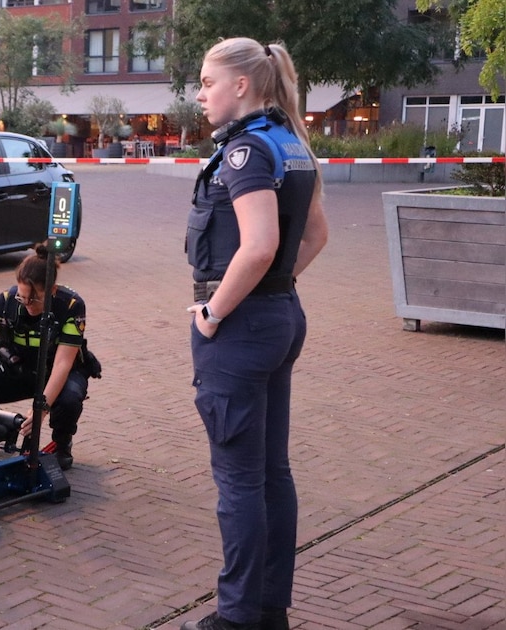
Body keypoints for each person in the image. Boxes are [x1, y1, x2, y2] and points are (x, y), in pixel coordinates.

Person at [180, 39, 329, 630]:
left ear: (241, 85)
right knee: (271, 474)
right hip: (278, 317)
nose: (200, 94)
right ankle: (267, 611)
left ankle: (238, 617)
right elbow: (314, 237)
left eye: (207, 82)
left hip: (241, 329)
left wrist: (215, 312)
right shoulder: (289, 142)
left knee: (240, 483)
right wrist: (272, 289)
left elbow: (260, 245)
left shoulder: (245, 152)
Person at [0, 245, 99, 471]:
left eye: (34, 299)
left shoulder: (71, 306)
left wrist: (41, 409)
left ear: (52, 290)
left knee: (69, 399)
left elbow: (63, 364)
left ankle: (62, 444)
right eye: (23, 298)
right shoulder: (6, 300)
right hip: (19, 371)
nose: (27, 305)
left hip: (58, 374)